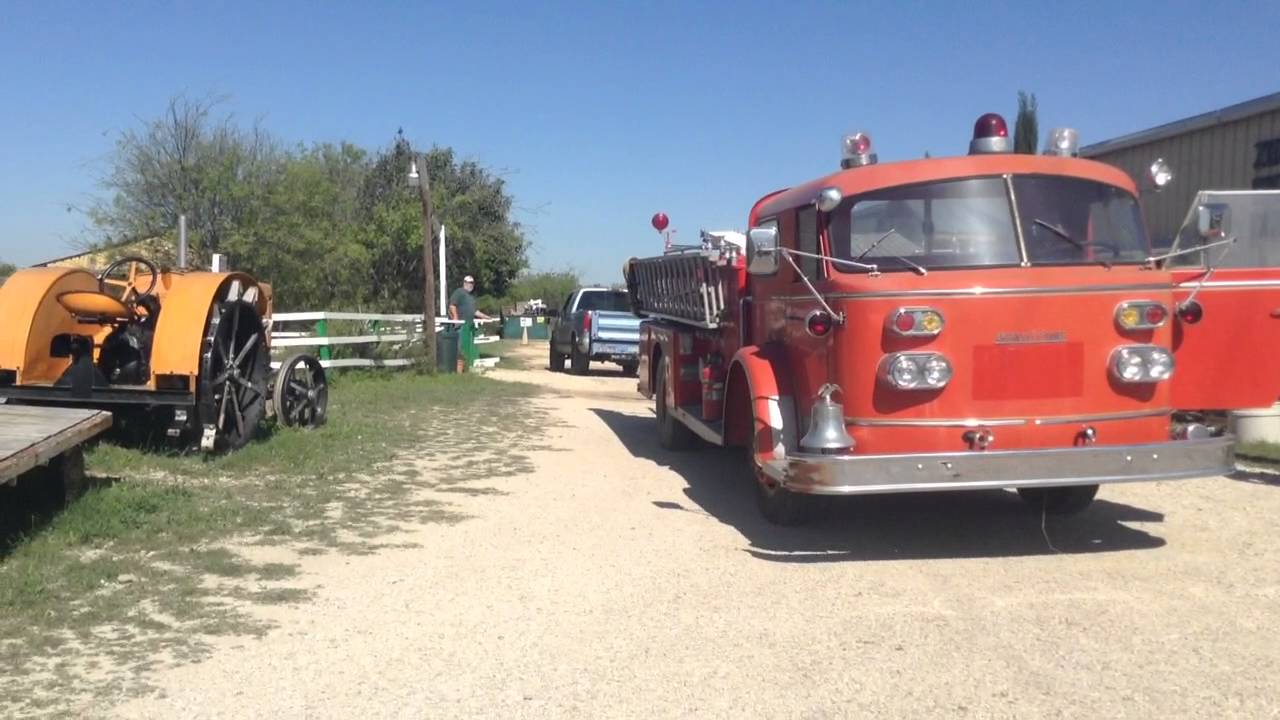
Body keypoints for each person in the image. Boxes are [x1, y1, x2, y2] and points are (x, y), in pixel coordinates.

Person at [448, 275, 491, 372]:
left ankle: (466, 367)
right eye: (468, 282)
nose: (470, 285)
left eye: (472, 283)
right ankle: (457, 370)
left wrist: (486, 317)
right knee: (459, 348)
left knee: (466, 348)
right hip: (460, 326)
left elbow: (475, 312)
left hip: (468, 327)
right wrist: (456, 319)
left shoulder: (471, 297)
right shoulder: (459, 292)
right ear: (464, 283)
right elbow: (452, 305)